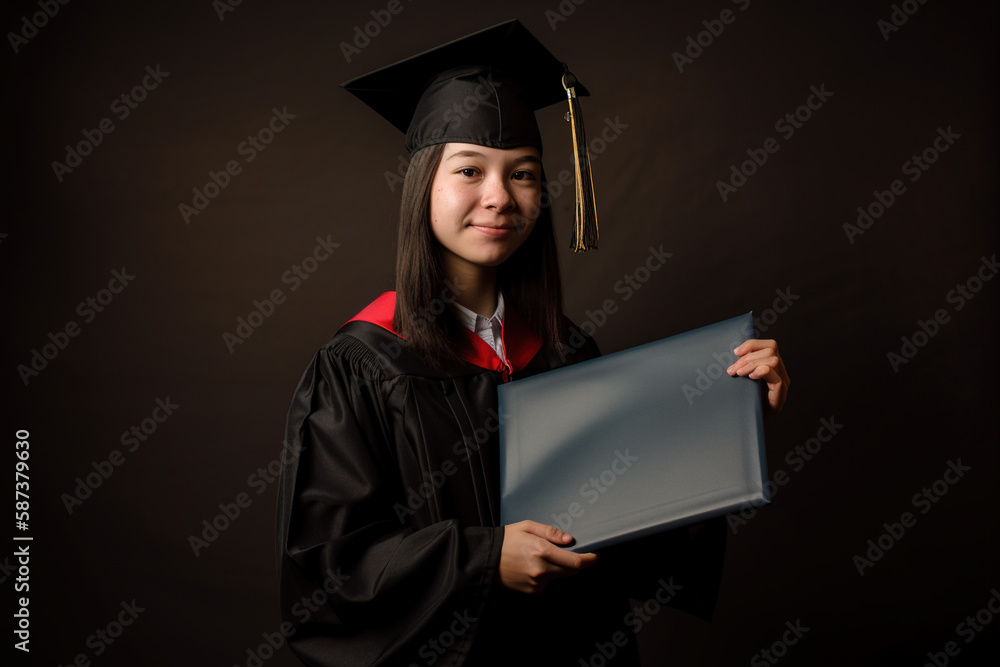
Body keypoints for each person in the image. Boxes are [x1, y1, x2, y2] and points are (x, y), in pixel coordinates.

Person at [275, 20, 790, 667]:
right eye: (470, 169)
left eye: (522, 174)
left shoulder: (565, 351)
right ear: (421, 186)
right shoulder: (361, 366)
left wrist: (729, 420)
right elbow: (332, 569)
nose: (499, 197)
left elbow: (628, 528)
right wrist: (485, 557)